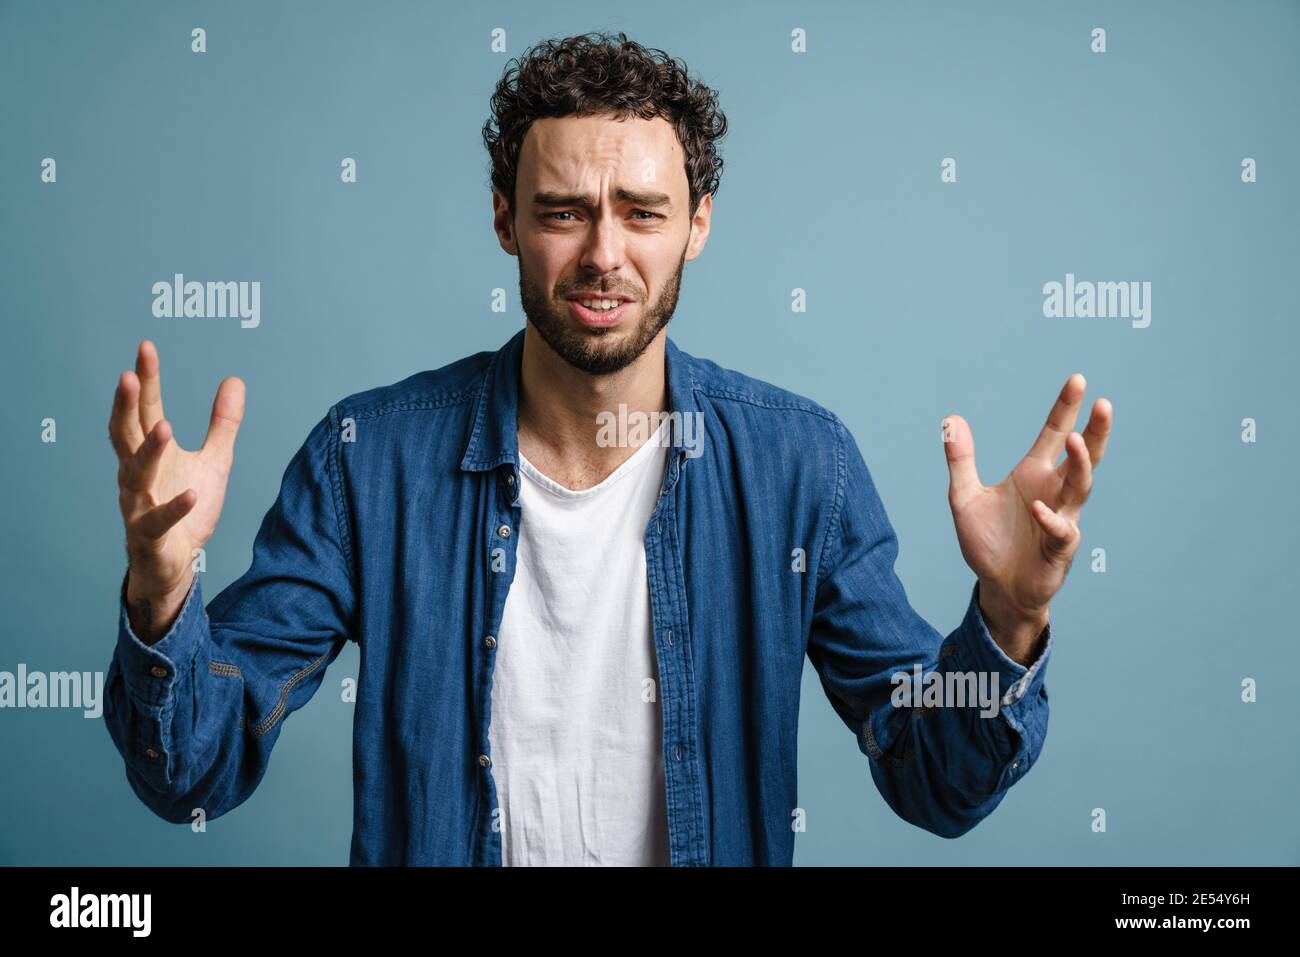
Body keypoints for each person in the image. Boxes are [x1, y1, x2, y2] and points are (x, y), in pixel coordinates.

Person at [103, 31, 1112, 866]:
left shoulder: (799, 470)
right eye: (563, 211)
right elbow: (191, 770)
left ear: (697, 226)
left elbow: (934, 777)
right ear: (505, 218)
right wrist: (162, 592)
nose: (603, 253)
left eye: (642, 212)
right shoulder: (368, 460)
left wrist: (1008, 619)